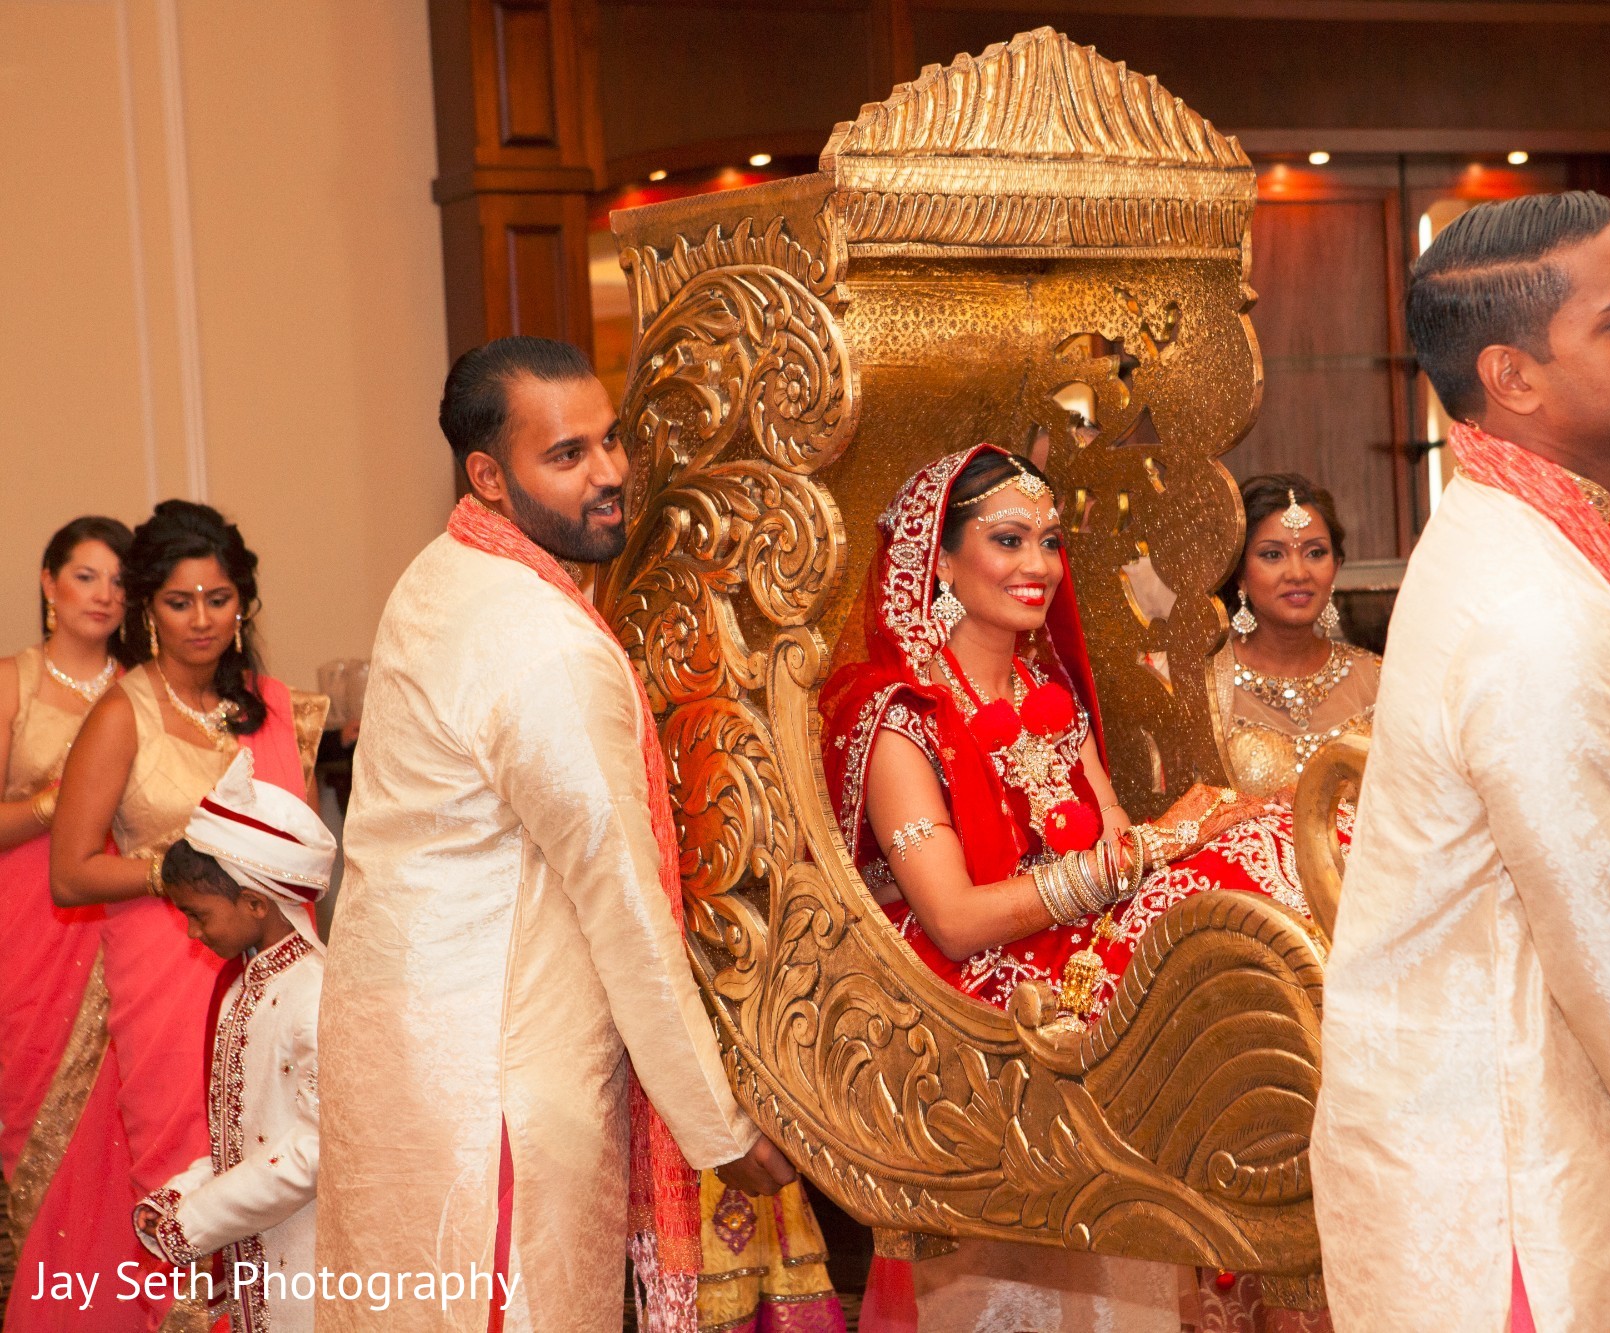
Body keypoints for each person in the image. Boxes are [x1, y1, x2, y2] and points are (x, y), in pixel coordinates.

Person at [1310, 190, 1610, 1332]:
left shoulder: (1532, 522)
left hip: (1519, 1125)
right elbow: (1609, 932)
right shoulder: (1534, 604)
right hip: (1510, 1175)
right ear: (1512, 376)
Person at [316, 336, 796, 1333]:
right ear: (488, 475)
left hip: (409, 1066)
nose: (611, 474)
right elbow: (621, 904)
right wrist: (717, 1129)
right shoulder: (539, 642)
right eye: (567, 455)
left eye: (610, 441)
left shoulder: (440, 573)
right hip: (496, 1094)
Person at [820, 444, 1304, 1331]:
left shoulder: (1052, 694)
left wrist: (1174, 845)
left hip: (1077, 968)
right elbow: (957, 919)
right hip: (969, 1012)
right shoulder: (899, 714)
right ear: (941, 557)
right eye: (1008, 540)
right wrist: (1159, 848)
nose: (1038, 566)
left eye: (1049, 542)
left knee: (1267, 846)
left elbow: (1119, 855)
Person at [8, 501, 320, 1333]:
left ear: (242, 601)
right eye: (179, 600)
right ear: (149, 606)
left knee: (286, 1162)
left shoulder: (276, 704)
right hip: (169, 966)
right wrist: (178, 870)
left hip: (283, 976)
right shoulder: (123, 711)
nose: (200, 618)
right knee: (187, 1172)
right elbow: (71, 873)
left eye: (218, 598)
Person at [133, 750, 335, 1333]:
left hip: (312, 1261)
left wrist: (196, 1219)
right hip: (259, 1251)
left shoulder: (316, 993)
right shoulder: (245, 982)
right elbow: (247, 1136)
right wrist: (179, 1195)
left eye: (197, 915)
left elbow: (317, 1149)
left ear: (255, 902)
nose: (193, 933)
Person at [0, 517, 130, 1312]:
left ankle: (109, 1299)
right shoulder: (14, 681)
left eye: (118, 580)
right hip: (27, 925)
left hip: (116, 924)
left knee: (120, 1120)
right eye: (86, 575)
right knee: (29, 1111)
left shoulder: (141, 686)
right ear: (49, 583)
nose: (104, 594)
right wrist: (60, 802)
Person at [1214, 473, 1379, 801]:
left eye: (1315, 553)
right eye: (1273, 555)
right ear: (1239, 575)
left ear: (1337, 566)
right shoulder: (1205, 685)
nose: (1298, 573)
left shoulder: (1377, 679)